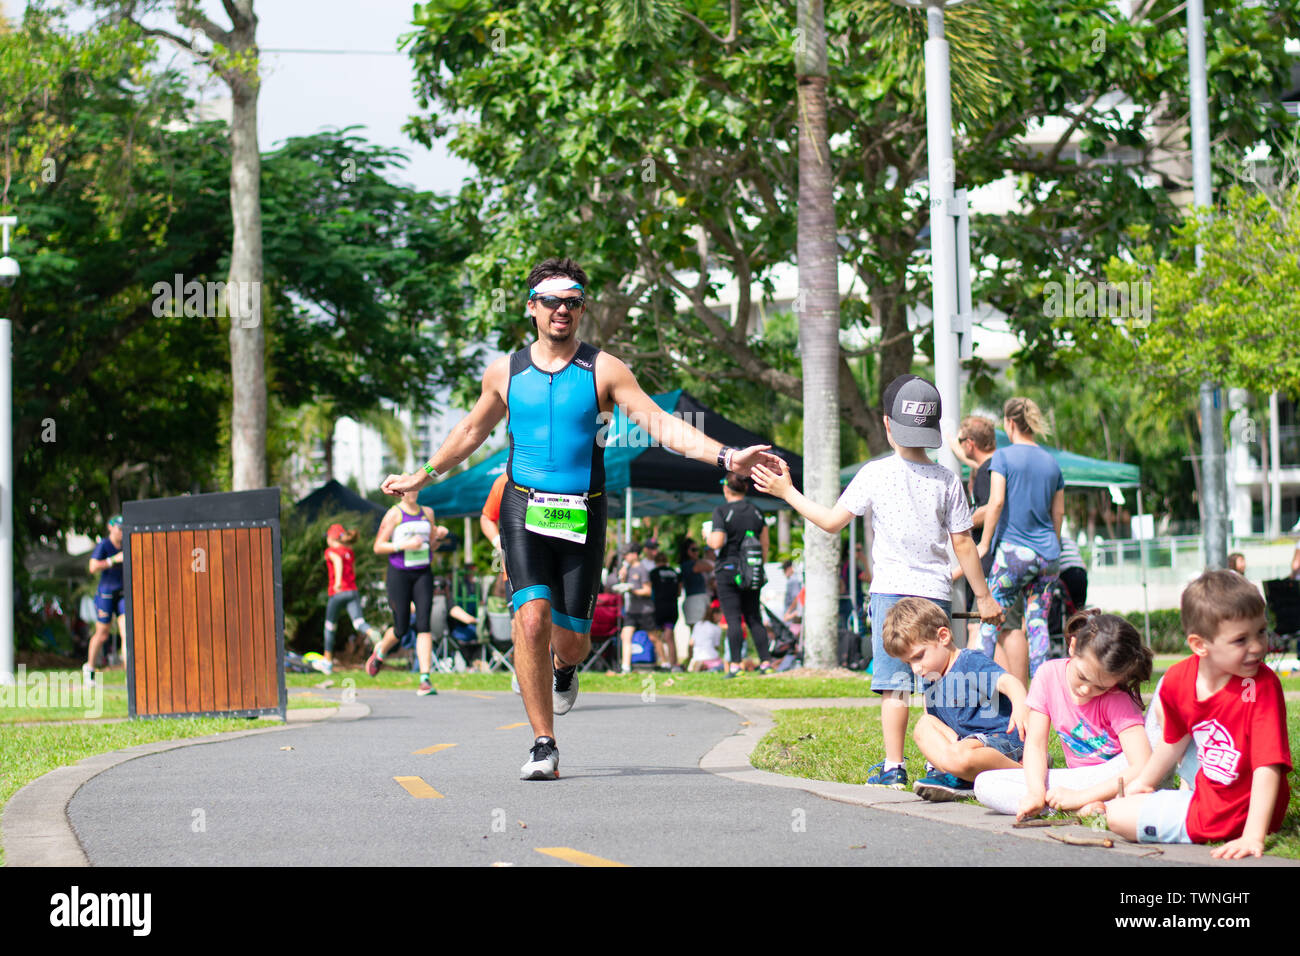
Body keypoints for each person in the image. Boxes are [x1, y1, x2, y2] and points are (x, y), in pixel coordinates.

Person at [380, 257, 781, 780]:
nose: (561, 310)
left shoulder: (605, 369)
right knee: (530, 618)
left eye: (572, 302)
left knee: (571, 639)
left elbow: (660, 424)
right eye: (551, 301)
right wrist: (423, 474)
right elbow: (470, 431)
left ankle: (565, 667)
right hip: (523, 508)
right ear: (532, 308)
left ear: (581, 309)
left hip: (583, 514)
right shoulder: (505, 372)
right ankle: (543, 743)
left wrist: (728, 458)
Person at [753, 374, 1003, 790]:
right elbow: (963, 544)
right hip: (935, 597)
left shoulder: (874, 473)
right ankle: (943, 764)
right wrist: (984, 597)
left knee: (895, 687)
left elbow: (831, 523)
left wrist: (788, 493)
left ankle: (893, 768)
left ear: (888, 424)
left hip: (890, 595)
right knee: (939, 684)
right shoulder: (947, 480)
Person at [1105, 570, 1291, 859]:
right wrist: (1145, 782)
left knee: (1116, 816)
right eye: (1241, 640)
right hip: (1206, 796)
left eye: (1261, 632)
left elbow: (1268, 766)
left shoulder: (1260, 686)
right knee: (1122, 806)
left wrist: (1253, 835)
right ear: (1200, 645)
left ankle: (1195, 819)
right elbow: (1174, 740)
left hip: (1240, 813)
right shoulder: (1179, 679)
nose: (1257, 647)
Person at [973, 611, 1154, 817]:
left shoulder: (1117, 696)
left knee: (1136, 775)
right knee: (985, 784)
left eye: (1100, 687)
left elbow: (1141, 765)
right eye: (1082, 677)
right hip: (1077, 780)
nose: (1086, 690)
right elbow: (1036, 745)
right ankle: (1084, 808)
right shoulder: (1048, 675)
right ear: (1073, 646)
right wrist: (1035, 791)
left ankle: (1080, 805)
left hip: (1114, 776)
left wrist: (1081, 796)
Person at [882, 597, 1028, 801]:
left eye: (918, 656)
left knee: (958, 756)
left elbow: (1008, 682)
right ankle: (962, 777)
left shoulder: (969, 662)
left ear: (943, 636)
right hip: (965, 746)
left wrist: (1021, 707)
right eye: (908, 662)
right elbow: (936, 723)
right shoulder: (931, 675)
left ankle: (1026, 774)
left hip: (1001, 741)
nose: (916, 668)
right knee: (924, 726)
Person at [976, 396, 1065, 685]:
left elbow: (996, 501)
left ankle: (980, 695)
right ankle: (1040, 702)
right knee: (1038, 627)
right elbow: (1058, 512)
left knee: (990, 620)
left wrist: (985, 543)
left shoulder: (1003, 457)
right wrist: (1052, 547)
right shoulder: (1052, 463)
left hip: (1015, 553)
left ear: (1010, 423)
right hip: (1048, 556)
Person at [365, 489, 447, 696]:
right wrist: (404, 545)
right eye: (408, 489)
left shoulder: (427, 512)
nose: (412, 492)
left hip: (423, 573)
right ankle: (381, 651)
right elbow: (378, 546)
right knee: (401, 628)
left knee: (423, 624)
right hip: (399, 574)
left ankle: (425, 679)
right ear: (401, 493)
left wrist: (439, 537)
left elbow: (431, 545)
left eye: (415, 488)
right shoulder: (394, 514)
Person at [708, 475, 775, 678]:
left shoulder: (722, 511)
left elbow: (717, 542)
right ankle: (766, 662)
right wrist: (757, 567)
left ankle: (735, 665)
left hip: (728, 570)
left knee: (734, 619)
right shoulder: (756, 511)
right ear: (745, 487)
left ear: (726, 489)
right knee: (754, 616)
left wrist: (707, 538)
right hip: (751, 571)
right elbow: (764, 544)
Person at [951, 415, 998, 647]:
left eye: (961, 441)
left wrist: (961, 522)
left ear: (970, 443)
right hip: (991, 562)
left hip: (988, 563)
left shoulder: (988, 471)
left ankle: (975, 680)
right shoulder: (993, 467)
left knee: (979, 627)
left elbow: (992, 506)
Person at [321, 523, 380, 674]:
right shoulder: (349, 551)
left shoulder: (330, 551)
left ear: (331, 538)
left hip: (338, 592)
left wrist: (338, 582)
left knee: (330, 626)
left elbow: (338, 562)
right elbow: (351, 569)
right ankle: (371, 632)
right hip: (352, 591)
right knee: (358, 622)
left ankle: (327, 661)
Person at [84, 515, 126, 687]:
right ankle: (90, 668)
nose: (122, 532)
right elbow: (93, 567)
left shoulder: (127, 544)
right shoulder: (104, 545)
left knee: (127, 634)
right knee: (102, 635)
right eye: (119, 528)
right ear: (111, 527)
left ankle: (129, 675)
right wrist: (113, 560)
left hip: (123, 593)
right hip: (106, 594)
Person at [618, 542, 657, 672]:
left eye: (627, 554)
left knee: (653, 638)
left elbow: (648, 591)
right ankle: (626, 667)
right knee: (626, 636)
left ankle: (665, 663)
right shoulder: (627, 569)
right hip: (632, 610)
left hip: (645, 610)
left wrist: (632, 590)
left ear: (634, 554)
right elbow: (622, 583)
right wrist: (622, 576)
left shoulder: (642, 569)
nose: (625, 557)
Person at [648, 547, 681, 670]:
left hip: (658, 608)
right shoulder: (674, 572)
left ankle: (664, 661)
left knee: (656, 636)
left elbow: (650, 590)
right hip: (672, 607)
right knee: (669, 636)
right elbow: (678, 591)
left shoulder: (653, 573)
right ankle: (674, 664)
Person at [679, 537, 714, 628]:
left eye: (697, 549)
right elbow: (708, 567)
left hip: (702, 599)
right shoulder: (687, 565)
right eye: (693, 550)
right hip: (694, 601)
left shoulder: (696, 562)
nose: (696, 552)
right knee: (697, 632)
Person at [687, 604, 725, 672]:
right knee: (723, 665)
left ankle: (700, 666)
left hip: (696, 657)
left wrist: (690, 657)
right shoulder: (717, 628)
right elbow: (716, 646)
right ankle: (710, 668)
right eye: (720, 615)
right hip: (711, 657)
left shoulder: (698, 624)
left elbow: (691, 643)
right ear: (715, 615)